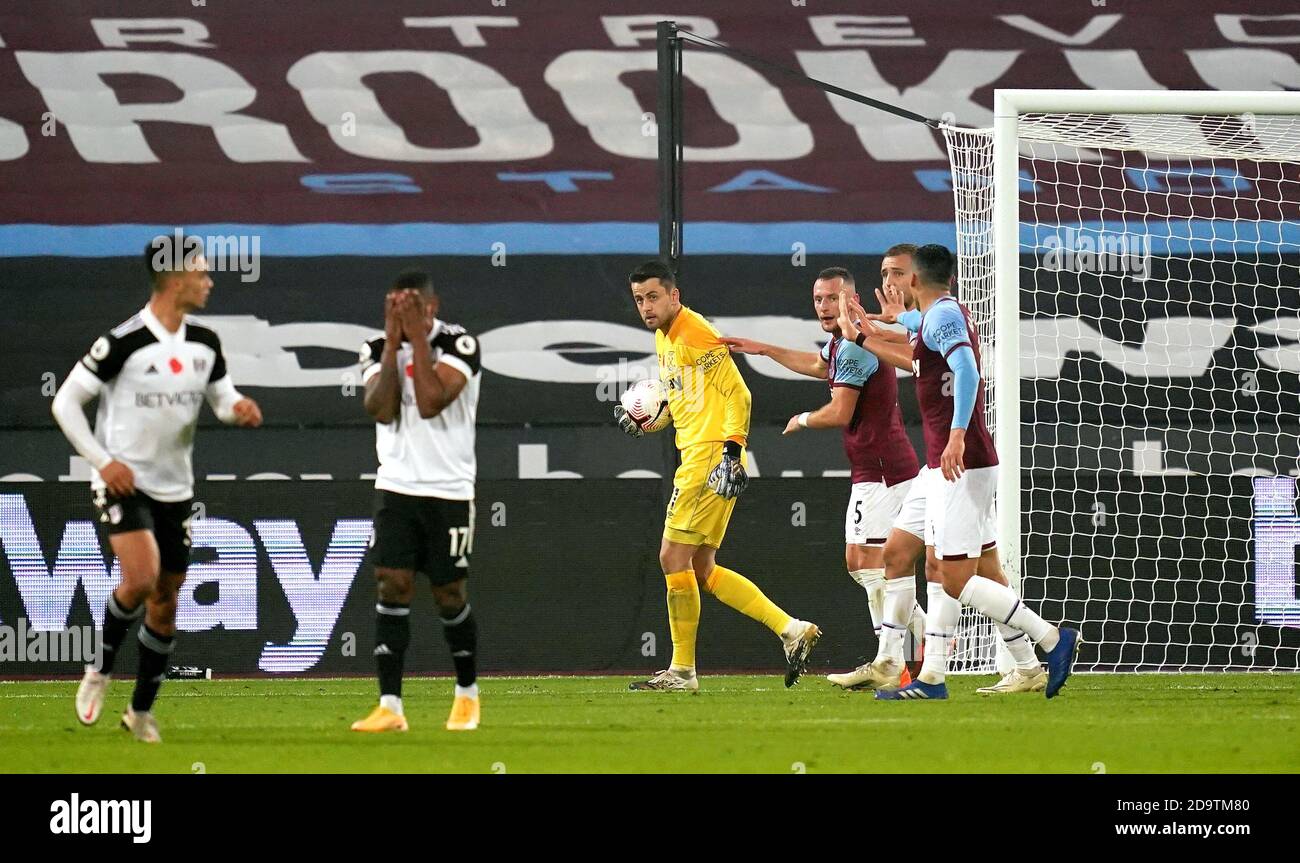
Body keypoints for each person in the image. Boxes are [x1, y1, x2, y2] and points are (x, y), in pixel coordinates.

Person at [840, 244, 1080, 699]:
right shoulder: (936, 314)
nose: (893, 282)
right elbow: (920, 338)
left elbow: (966, 368)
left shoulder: (944, 317)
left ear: (915, 280)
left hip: (959, 462)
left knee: (952, 576)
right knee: (906, 553)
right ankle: (956, 674)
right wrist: (879, 326)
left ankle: (1052, 638)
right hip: (943, 465)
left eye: (898, 274)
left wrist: (955, 434)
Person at [54, 235, 262, 742]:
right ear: (174, 279)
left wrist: (238, 410)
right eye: (202, 272)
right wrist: (103, 464)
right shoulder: (122, 342)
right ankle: (99, 669)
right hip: (125, 483)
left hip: (176, 491)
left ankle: (139, 711)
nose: (210, 280)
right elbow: (63, 404)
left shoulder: (206, 343)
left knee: (166, 600)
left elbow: (221, 398)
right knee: (142, 577)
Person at [616, 260, 821, 691]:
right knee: (702, 567)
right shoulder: (664, 337)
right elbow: (689, 398)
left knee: (672, 559)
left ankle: (682, 671)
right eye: (639, 300)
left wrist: (731, 451)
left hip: (709, 457)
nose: (646, 307)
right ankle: (791, 629)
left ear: (674, 295)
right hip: (702, 451)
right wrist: (656, 417)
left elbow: (738, 393)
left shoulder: (694, 333)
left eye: (653, 297)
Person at [720, 264, 925, 688]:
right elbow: (816, 365)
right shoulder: (841, 344)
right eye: (818, 299)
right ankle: (913, 645)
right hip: (878, 469)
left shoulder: (854, 348)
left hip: (884, 471)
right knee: (866, 563)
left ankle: (899, 660)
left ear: (852, 301)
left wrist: (803, 419)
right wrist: (763, 349)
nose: (824, 306)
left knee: (868, 564)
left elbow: (841, 411)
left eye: (832, 298)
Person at [350, 270, 483, 732]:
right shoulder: (373, 348)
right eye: (396, 307)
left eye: (413, 308)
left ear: (433, 306)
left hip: (448, 489)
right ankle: (390, 706)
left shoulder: (461, 344)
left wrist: (416, 342)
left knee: (448, 594)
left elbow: (430, 401)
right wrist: (392, 344)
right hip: (396, 486)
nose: (404, 316)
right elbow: (380, 408)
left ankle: (467, 694)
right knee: (391, 583)